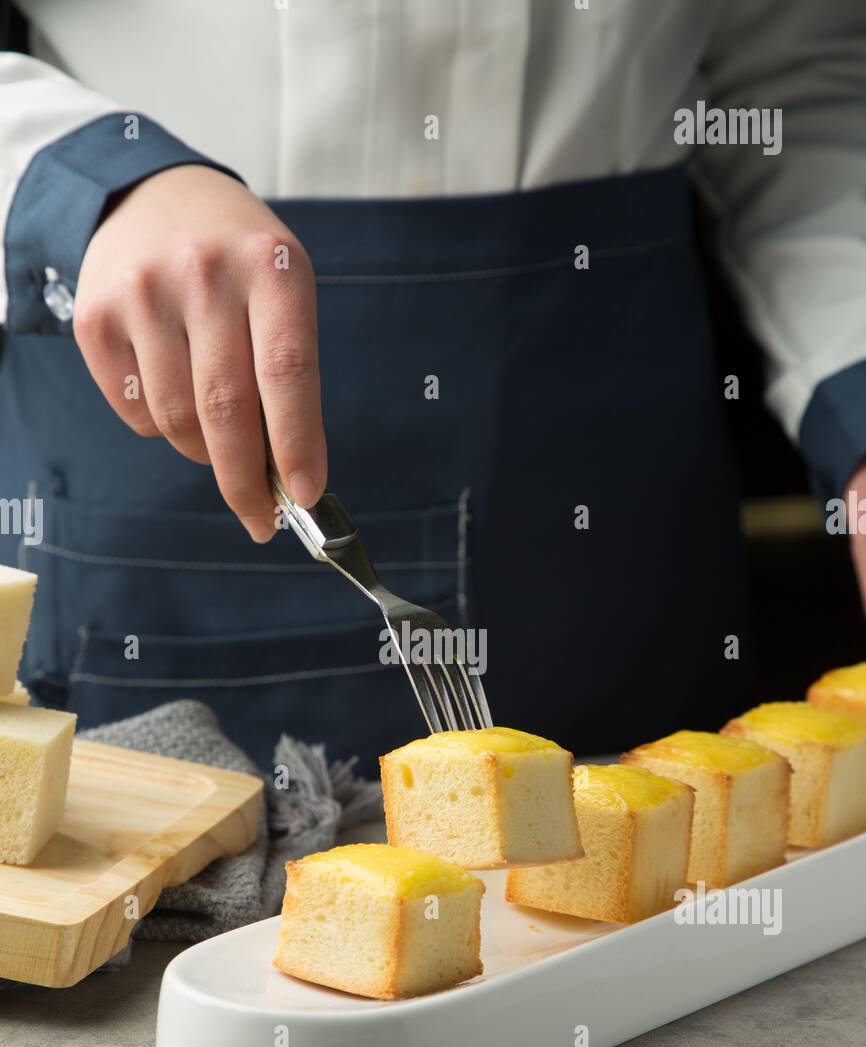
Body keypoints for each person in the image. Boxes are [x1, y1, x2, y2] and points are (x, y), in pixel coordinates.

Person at [1, 1, 864, 773]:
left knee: (653, 903)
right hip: (161, 483)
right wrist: (88, 183)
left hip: (611, 532)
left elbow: (801, 85)